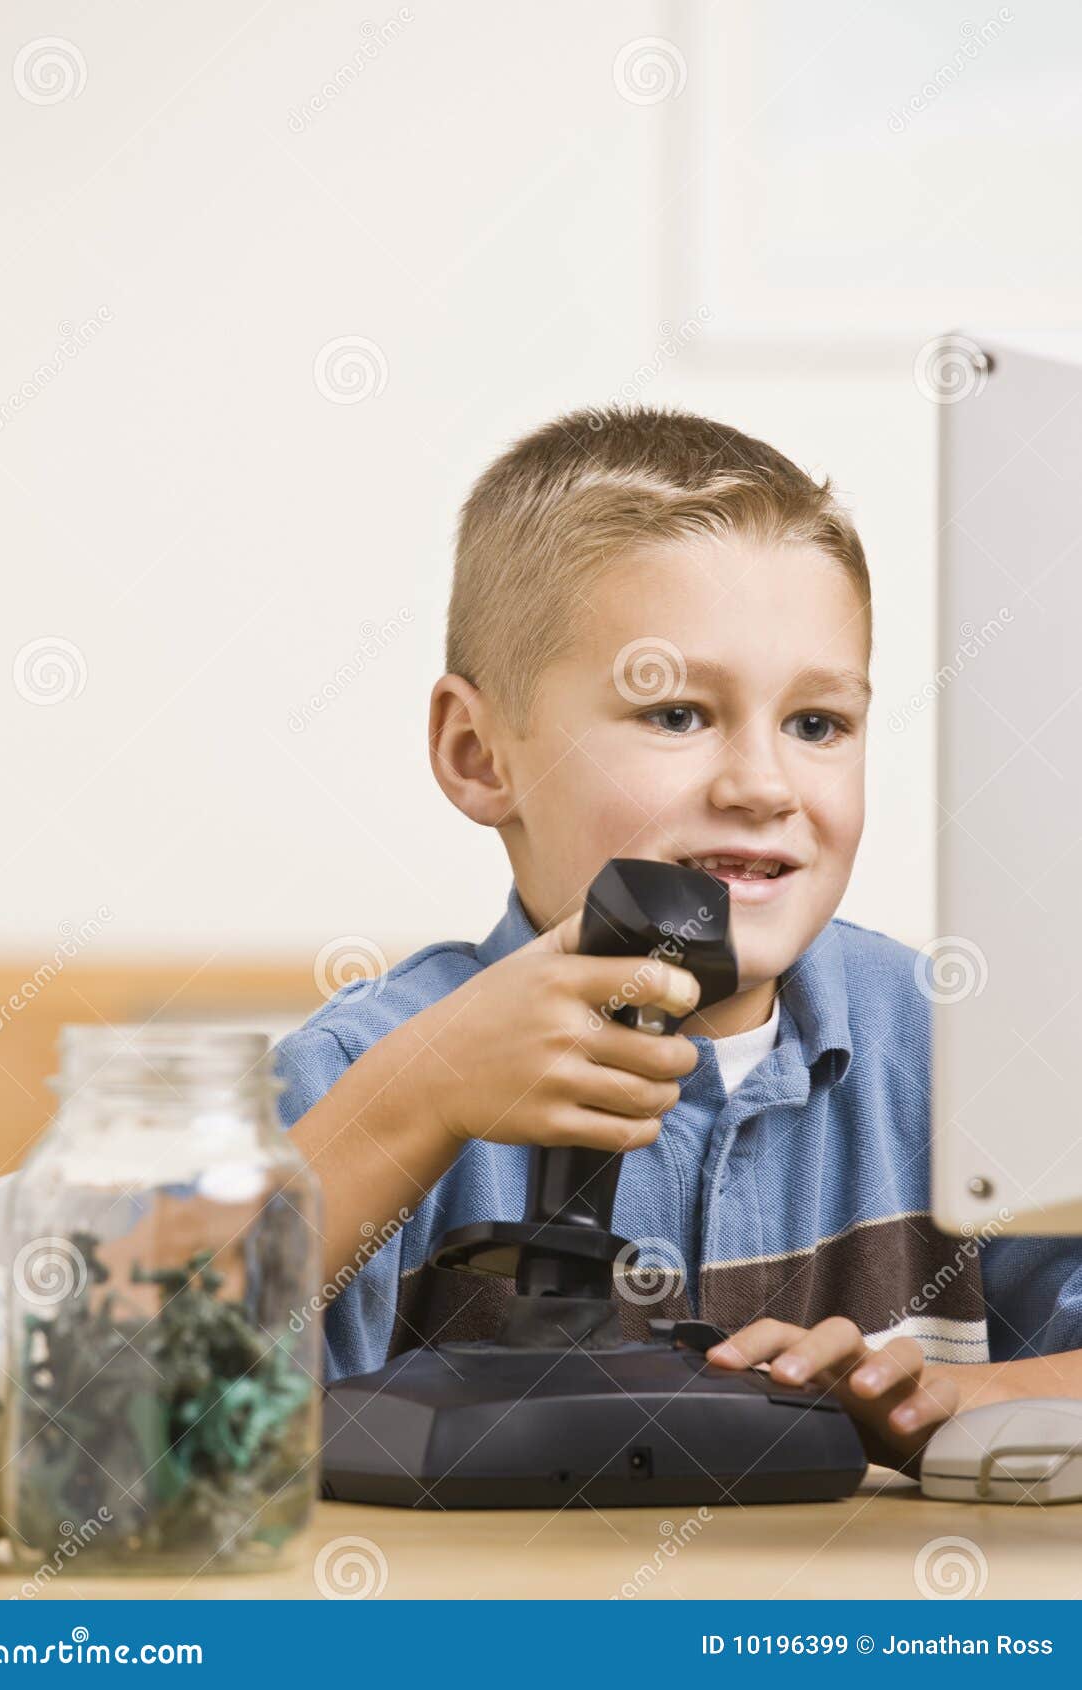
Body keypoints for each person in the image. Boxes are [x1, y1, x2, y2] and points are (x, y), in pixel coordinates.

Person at [277, 404, 1082, 1471]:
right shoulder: (359, 1074)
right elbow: (125, 1417)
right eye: (675, 714)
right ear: (478, 753)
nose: (759, 786)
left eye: (815, 725)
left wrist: (947, 1395)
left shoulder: (959, 1051)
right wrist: (407, 1110)